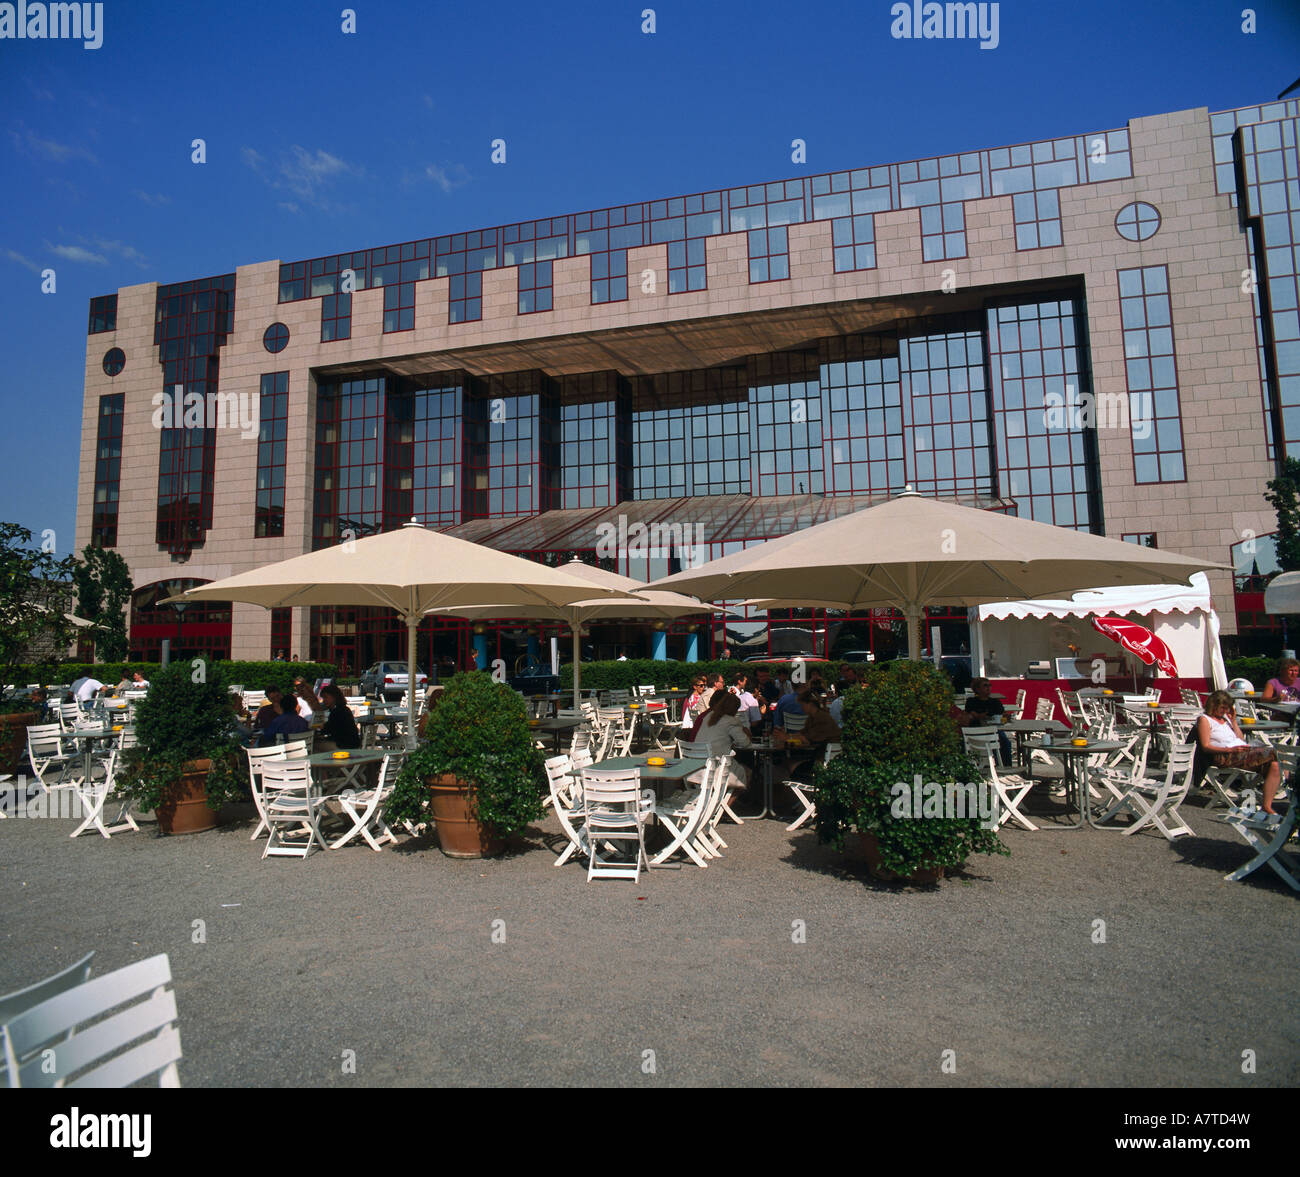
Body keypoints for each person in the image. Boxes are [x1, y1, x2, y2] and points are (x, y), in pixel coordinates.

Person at [1196, 690, 1283, 816]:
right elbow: (1205, 746)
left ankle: (1266, 806)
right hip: (1224, 756)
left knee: (1275, 765)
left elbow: (1240, 739)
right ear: (1213, 705)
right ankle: (1288, 778)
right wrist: (1230, 750)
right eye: (1222, 707)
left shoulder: (1225, 719)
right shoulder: (1205, 719)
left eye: (1227, 708)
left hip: (1240, 752)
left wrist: (1234, 722)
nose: (1225, 711)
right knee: (1274, 753)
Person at [314, 684, 361, 752]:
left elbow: (327, 730)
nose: (324, 700)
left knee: (314, 744)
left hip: (343, 746)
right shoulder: (345, 709)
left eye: (326, 697)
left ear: (334, 697)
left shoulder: (336, 712)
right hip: (353, 744)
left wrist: (319, 728)